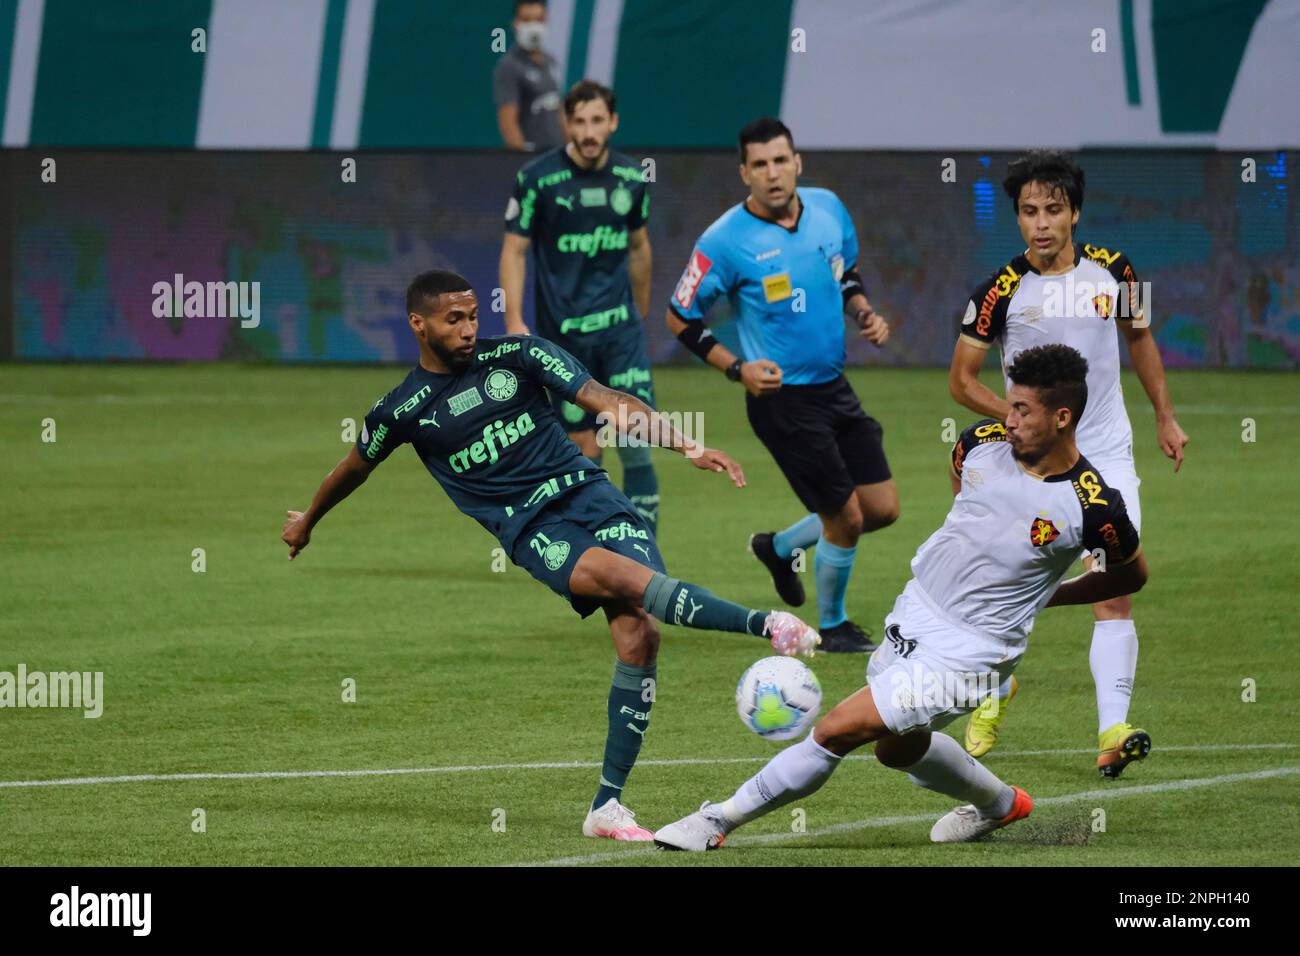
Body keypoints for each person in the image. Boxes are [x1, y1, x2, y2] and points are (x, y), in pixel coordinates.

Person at [281, 270, 819, 842]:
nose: (467, 329)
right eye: (453, 319)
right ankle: (768, 624)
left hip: (594, 498)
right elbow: (353, 468)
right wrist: (308, 521)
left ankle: (606, 808)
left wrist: (687, 444)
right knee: (630, 583)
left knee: (641, 635)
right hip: (534, 529)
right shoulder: (402, 409)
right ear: (419, 324)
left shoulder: (519, 355)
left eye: (472, 317)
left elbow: (608, 402)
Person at [654, 344, 1148, 851]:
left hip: (973, 652)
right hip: (915, 612)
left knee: (837, 731)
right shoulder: (980, 442)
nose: (1009, 416)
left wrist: (1050, 597)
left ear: (1062, 417)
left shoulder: (1094, 505)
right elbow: (965, 493)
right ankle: (1001, 806)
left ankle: (716, 821)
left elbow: (1129, 576)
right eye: (1010, 403)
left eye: (1023, 410)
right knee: (896, 750)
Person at [948, 150, 1188, 777]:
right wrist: (1019, 418)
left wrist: (1165, 416)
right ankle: (995, 689)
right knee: (1005, 587)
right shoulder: (997, 292)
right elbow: (961, 380)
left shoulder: (1118, 271)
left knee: (1115, 589)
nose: (1041, 223)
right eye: (1028, 212)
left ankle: (1113, 729)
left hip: (1105, 455)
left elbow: (1141, 339)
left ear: (1075, 211)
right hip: (1026, 463)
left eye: (1053, 209)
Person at [665, 117, 894, 653]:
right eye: (760, 164)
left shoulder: (829, 208)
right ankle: (833, 627)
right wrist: (735, 367)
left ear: (798, 162)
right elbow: (680, 315)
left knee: (882, 508)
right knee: (847, 518)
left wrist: (862, 310)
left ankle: (779, 546)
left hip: (834, 388)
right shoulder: (723, 241)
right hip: (781, 400)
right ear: (744, 172)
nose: (772, 173)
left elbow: (846, 271)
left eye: (780, 160)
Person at [500, 80, 660, 534]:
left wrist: (639, 312)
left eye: (597, 121)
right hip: (564, 340)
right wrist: (514, 321)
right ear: (566, 123)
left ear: (613, 122)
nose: (589, 132)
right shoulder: (536, 180)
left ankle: (647, 558)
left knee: (636, 438)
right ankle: (602, 548)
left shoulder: (632, 179)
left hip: (619, 334)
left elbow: (640, 246)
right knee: (584, 449)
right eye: (580, 121)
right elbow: (514, 250)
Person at [493, 0, 564, 152]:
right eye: (526, 20)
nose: (533, 27)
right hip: (532, 157)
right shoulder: (509, 66)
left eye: (539, 20)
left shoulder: (552, 62)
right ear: (515, 24)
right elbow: (508, 123)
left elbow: (559, 112)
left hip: (556, 155)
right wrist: (522, 158)